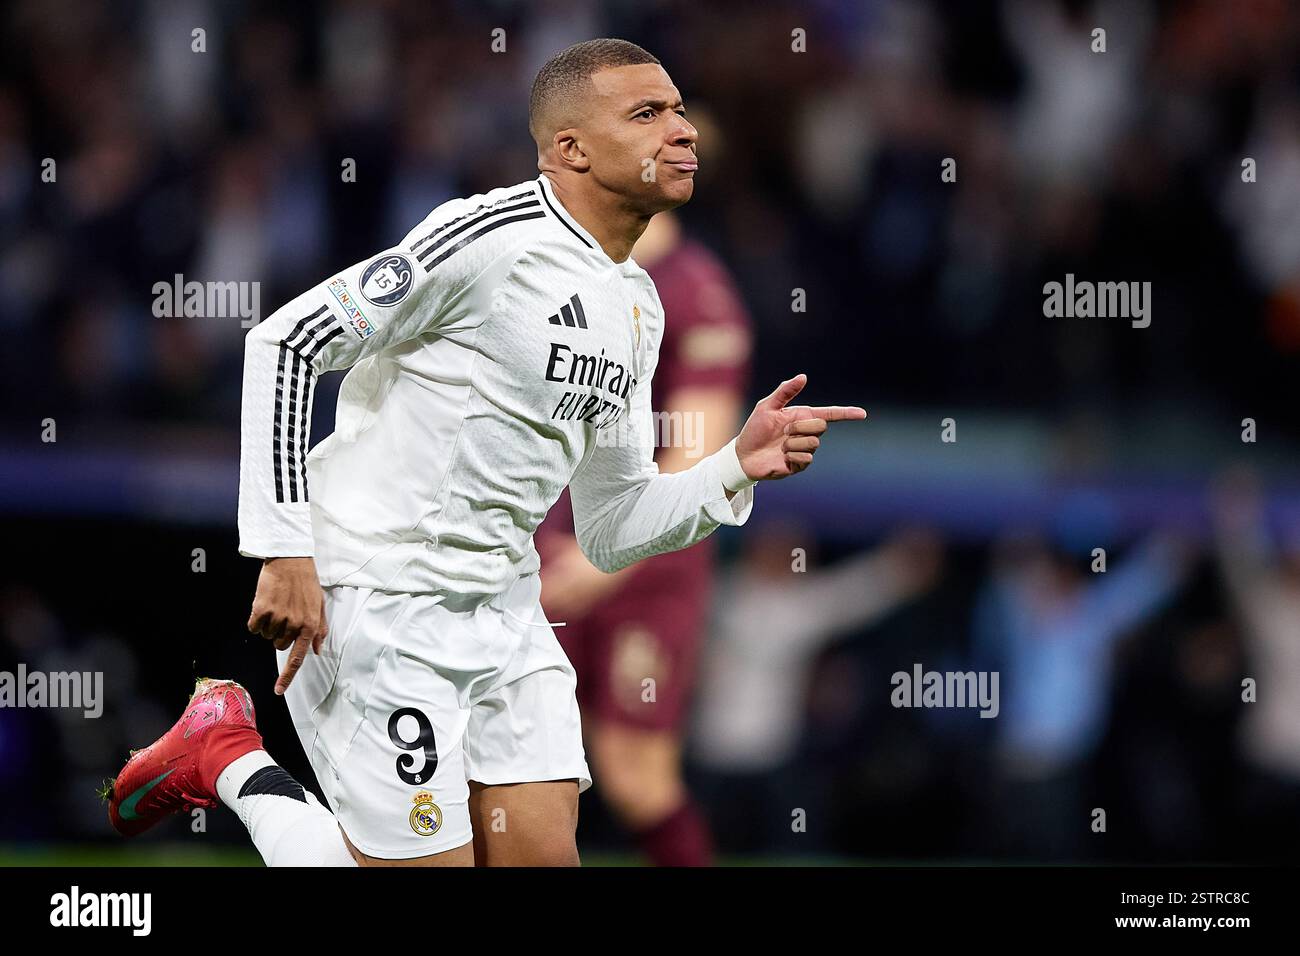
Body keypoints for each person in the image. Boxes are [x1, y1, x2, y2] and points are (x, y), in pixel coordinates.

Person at [103, 38, 867, 867]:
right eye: (648, 113)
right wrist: (285, 546)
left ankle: (223, 752)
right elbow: (287, 343)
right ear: (571, 148)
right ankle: (229, 759)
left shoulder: (638, 304)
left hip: (506, 611)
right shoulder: (488, 239)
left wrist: (732, 467)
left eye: (679, 111)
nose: (682, 131)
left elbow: (611, 523)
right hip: (378, 595)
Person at [534, 208, 752, 865]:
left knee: (633, 773)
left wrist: (606, 560)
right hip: (548, 544)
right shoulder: (559, 265)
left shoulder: (696, 293)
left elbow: (697, 452)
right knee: (512, 759)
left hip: (645, 563)